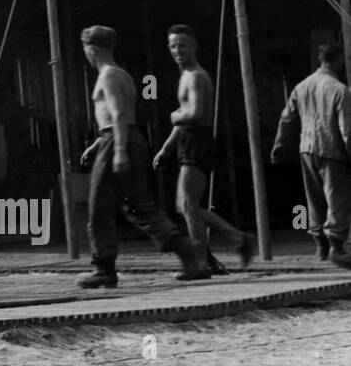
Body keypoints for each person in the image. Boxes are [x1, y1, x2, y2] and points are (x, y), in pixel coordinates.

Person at [76, 25, 206, 287]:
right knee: (136, 204)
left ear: (92, 50)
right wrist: (97, 145)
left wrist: (118, 151)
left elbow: (117, 115)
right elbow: (122, 116)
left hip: (118, 139)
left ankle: (104, 268)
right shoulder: (122, 74)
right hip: (124, 137)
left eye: (86, 51)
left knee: (99, 207)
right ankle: (185, 249)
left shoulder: (107, 76)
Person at [152, 25, 254, 272]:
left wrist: (175, 116)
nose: (178, 50)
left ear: (194, 46)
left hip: (199, 141)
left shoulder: (196, 76)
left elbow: (196, 113)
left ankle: (200, 263)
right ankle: (234, 241)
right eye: (173, 46)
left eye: (183, 45)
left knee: (188, 205)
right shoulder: (185, 75)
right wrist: (165, 149)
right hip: (189, 140)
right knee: (185, 206)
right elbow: (184, 116)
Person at [271, 41, 351, 263]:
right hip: (331, 149)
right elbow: (347, 130)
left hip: (306, 149)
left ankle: (320, 247)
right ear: (338, 60)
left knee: (313, 199)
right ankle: (336, 246)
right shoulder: (339, 90)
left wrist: (278, 145)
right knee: (337, 197)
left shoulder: (302, 86)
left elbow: (286, 118)